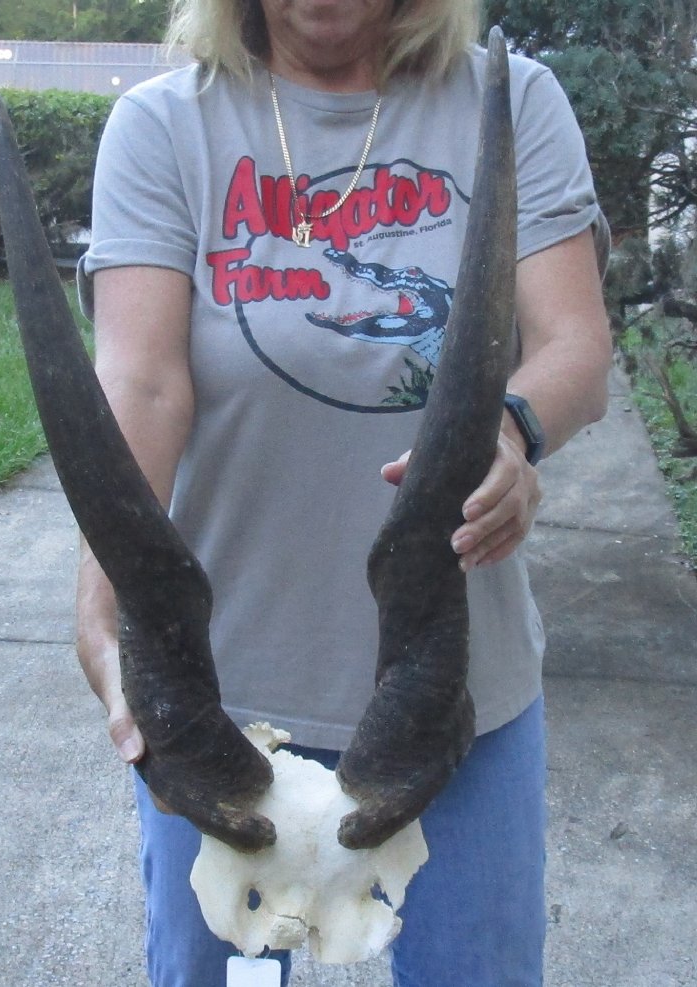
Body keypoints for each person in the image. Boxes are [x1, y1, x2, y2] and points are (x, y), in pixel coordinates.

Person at [75, 1, 612, 984]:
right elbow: (142, 386)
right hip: (217, 705)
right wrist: (100, 616)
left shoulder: (507, 100)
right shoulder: (164, 126)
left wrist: (509, 428)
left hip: (455, 697)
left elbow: (573, 345)